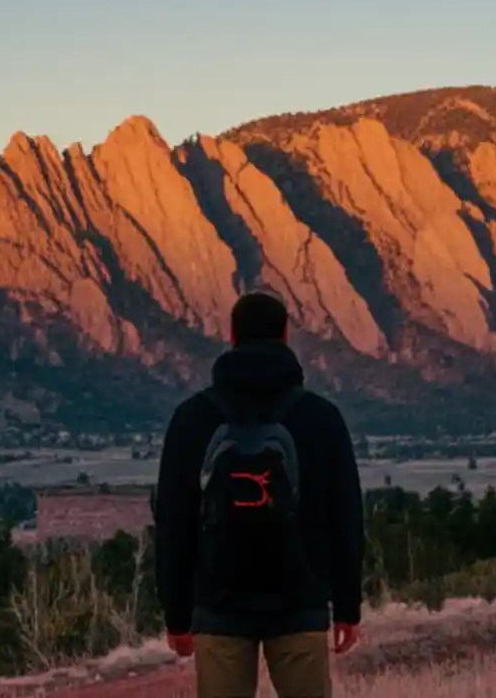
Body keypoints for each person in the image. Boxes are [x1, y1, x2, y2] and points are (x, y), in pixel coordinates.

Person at [153, 290, 364, 698]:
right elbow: (347, 519)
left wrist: (176, 615)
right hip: (300, 602)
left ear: (231, 336)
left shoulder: (191, 418)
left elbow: (173, 522)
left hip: (218, 605)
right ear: (286, 335)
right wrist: (347, 607)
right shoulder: (321, 418)